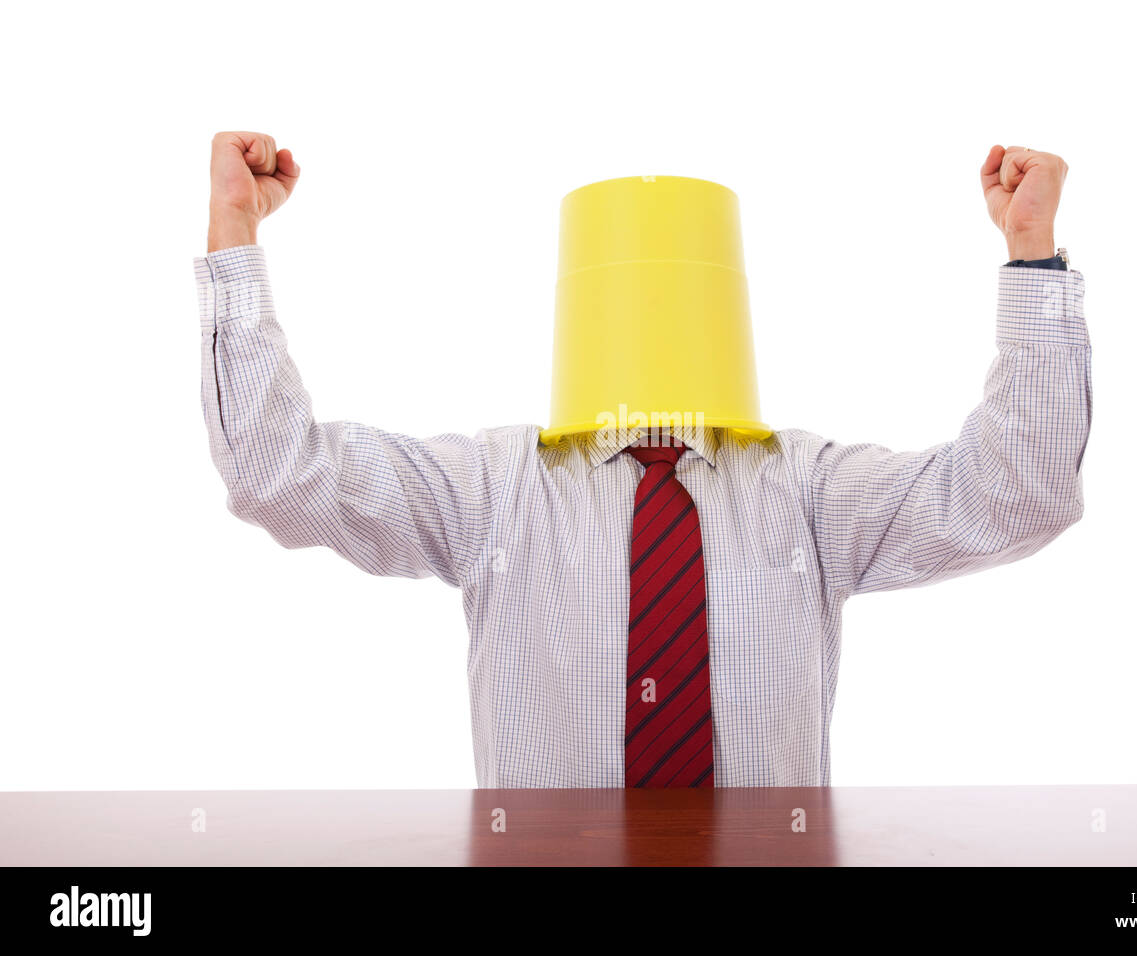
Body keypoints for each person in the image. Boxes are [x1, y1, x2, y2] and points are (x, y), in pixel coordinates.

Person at [194, 131, 1091, 789]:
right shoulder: (495, 490)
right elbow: (281, 478)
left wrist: (1031, 255)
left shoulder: (808, 491)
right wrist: (235, 237)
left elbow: (1017, 495)